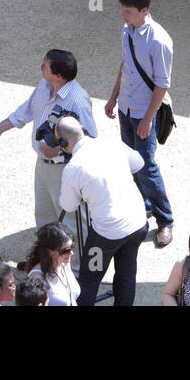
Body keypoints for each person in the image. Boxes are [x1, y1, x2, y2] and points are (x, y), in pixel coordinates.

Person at [0, 49, 97, 257]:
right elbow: (25, 112)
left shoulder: (78, 100)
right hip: (43, 166)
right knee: (44, 216)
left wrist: (55, 150)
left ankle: (78, 270)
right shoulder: (45, 86)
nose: (41, 67)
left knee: (71, 220)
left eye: (45, 65)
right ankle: (47, 263)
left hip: (65, 169)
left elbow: (88, 138)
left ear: (59, 76)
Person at [104, 0, 175, 248]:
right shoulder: (127, 31)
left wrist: (147, 119)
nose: (124, 16)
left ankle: (165, 221)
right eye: (122, 10)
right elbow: (125, 66)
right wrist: (113, 98)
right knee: (129, 162)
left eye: (129, 12)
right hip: (126, 108)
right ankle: (141, 207)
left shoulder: (159, 40)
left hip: (144, 112)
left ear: (144, 10)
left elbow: (162, 84)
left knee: (146, 165)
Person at [56, 116, 150, 306]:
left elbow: (68, 206)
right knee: (126, 273)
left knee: (90, 278)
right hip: (138, 224)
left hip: (106, 236)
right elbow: (139, 162)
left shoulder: (73, 168)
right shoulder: (111, 143)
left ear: (64, 143)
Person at [21, 221, 80, 306]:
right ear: (50, 251)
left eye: (72, 247)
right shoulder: (37, 278)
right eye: (66, 250)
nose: (71, 253)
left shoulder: (64, 262)